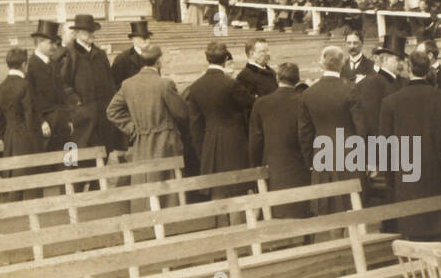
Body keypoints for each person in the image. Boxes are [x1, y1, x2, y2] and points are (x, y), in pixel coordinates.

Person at [379, 48, 441, 241]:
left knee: (413, 236)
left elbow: (385, 146)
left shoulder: (390, 102)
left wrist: (391, 179)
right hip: (438, 174)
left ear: (408, 68)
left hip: (407, 176)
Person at [106, 44, 188, 194]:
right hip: (165, 142)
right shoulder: (165, 84)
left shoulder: (128, 84)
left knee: (144, 182)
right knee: (167, 187)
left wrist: (132, 127)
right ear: (158, 62)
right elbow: (182, 113)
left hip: (141, 141)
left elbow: (112, 111)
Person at [297, 46, 362, 216]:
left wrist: (310, 160)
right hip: (349, 151)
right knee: (351, 204)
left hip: (322, 153)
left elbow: (305, 132)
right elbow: (361, 127)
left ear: (322, 64)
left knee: (327, 206)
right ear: (342, 64)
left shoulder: (308, 93)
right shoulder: (350, 89)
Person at [184, 41, 254, 198]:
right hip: (235, 141)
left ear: (208, 59)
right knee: (238, 188)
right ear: (225, 60)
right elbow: (251, 105)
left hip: (210, 142)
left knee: (217, 189)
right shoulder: (231, 84)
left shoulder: (196, 87)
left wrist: (203, 150)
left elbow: (195, 125)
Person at [249, 63, 312, 217]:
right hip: (300, 167)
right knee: (302, 214)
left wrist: (256, 166)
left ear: (278, 78)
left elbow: (255, 141)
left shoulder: (261, 103)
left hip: (274, 166)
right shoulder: (304, 101)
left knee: (277, 213)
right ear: (298, 79)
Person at [59, 13, 118, 154]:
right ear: (77, 33)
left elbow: (110, 82)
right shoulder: (69, 55)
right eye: (87, 31)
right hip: (81, 117)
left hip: (102, 116)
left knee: (102, 154)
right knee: (78, 156)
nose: (91, 34)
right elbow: (62, 84)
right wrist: (76, 101)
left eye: (92, 30)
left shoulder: (100, 54)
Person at [25, 20, 73, 151]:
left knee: (69, 158)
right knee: (48, 162)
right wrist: (40, 121)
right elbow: (30, 99)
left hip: (61, 121)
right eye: (51, 43)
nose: (55, 47)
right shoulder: (30, 66)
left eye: (56, 43)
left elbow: (62, 94)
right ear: (39, 41)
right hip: (46, 125)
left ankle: (71, 172)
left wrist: (69, 119)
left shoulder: (54, 63)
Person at [0, 47, 44, 160]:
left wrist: (7, 138)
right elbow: (31, 117)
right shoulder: (26, 86)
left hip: (9, 139)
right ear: (24, 64)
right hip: (27, 141)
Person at [110, 20, 152, 87]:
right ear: (132, 40)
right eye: (141, 37)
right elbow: (115, 84)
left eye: (147, 37)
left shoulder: (153, 57)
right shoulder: (122, 59)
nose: (145, 40)